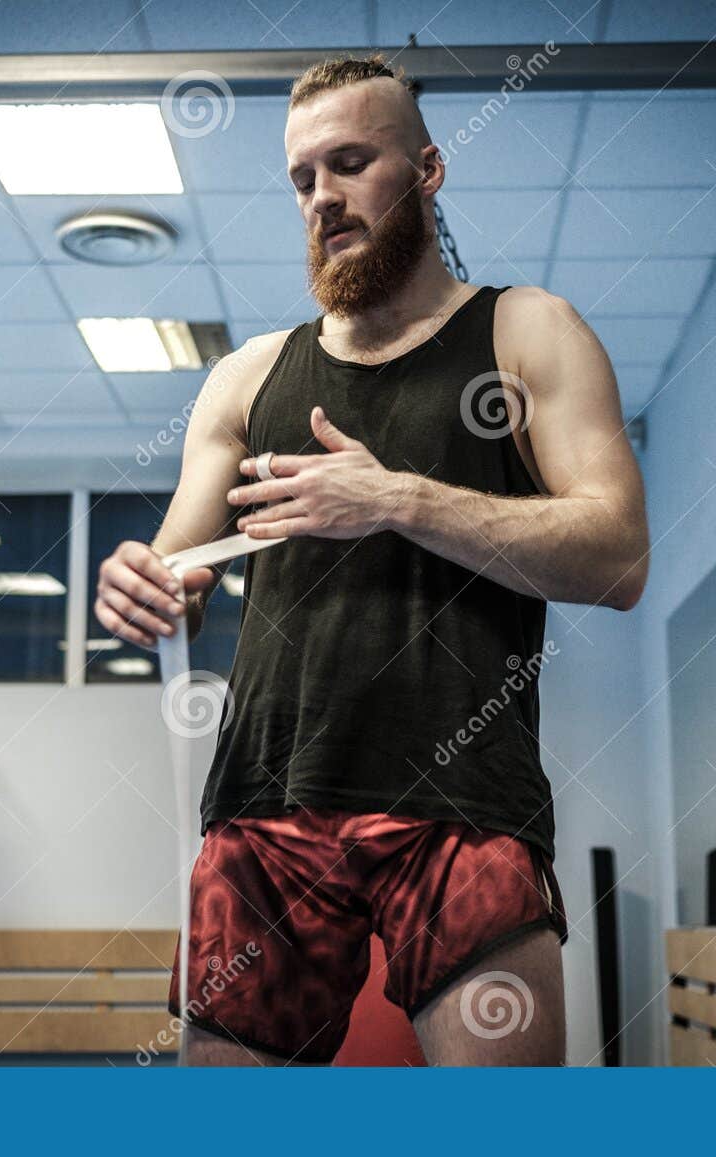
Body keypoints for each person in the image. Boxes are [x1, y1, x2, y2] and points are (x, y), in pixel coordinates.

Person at [95, 54, 649, 1065]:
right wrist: (135, 583)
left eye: (350, 164)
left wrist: (392, 497)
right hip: (266, 798)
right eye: (303, 178)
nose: (322, 199)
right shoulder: (247, 375)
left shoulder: (525, 332)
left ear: (427, 168)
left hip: (462, 797)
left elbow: (616, 557)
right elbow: (174, 571)